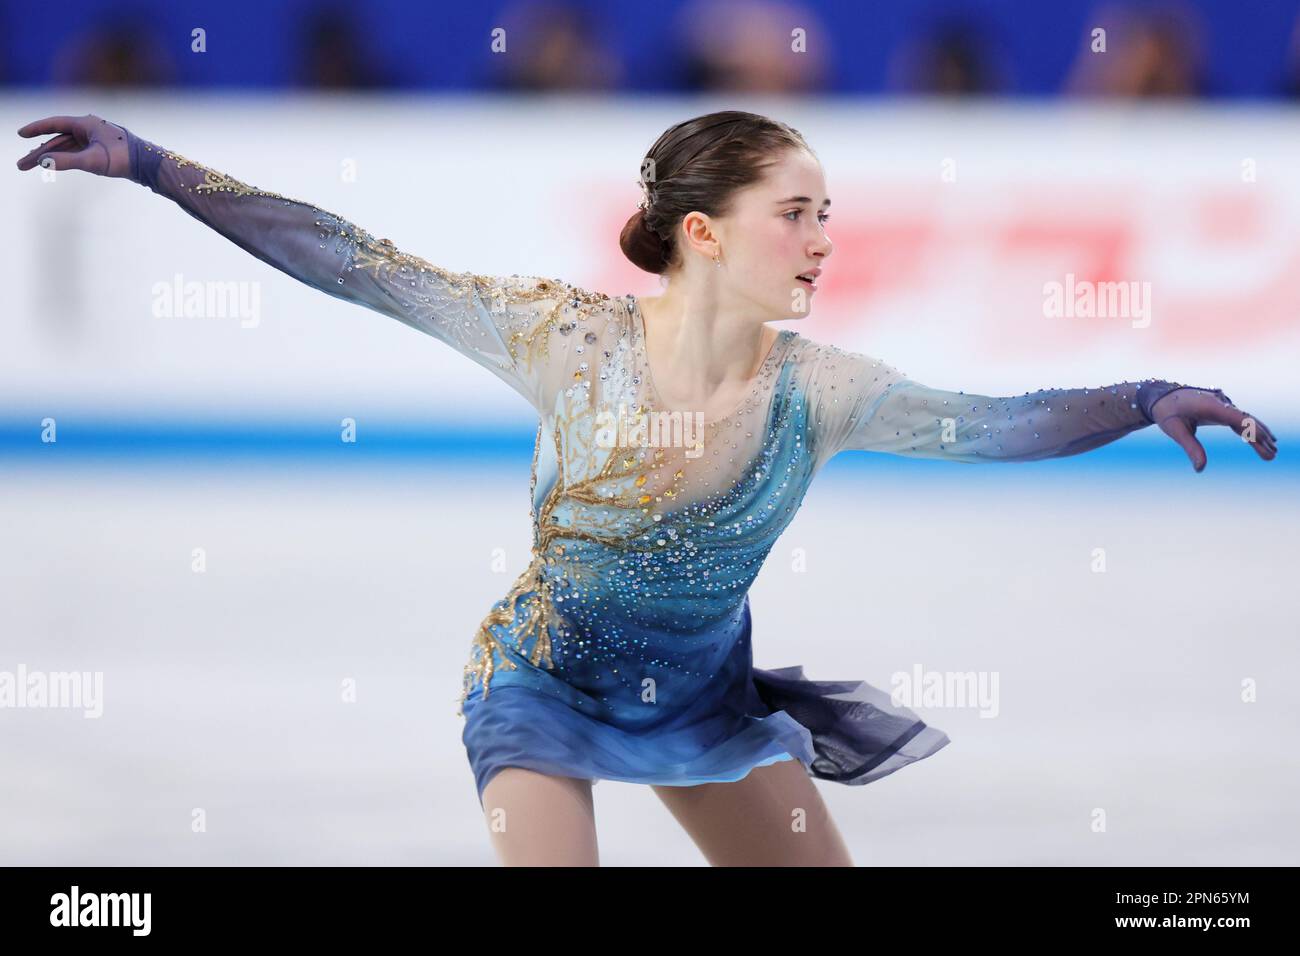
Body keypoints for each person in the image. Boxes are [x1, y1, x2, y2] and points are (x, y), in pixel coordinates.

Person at [16, 110, 1277, 867]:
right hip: (539, 678)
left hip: (706, 696)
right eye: (796, 213)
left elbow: (998, 426)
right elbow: (348, 261)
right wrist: (152, 162)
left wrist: (1136, 395)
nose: (827, 238)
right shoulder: (562, 336)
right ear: (705, 232)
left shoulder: (822, 388)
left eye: (828, 210)